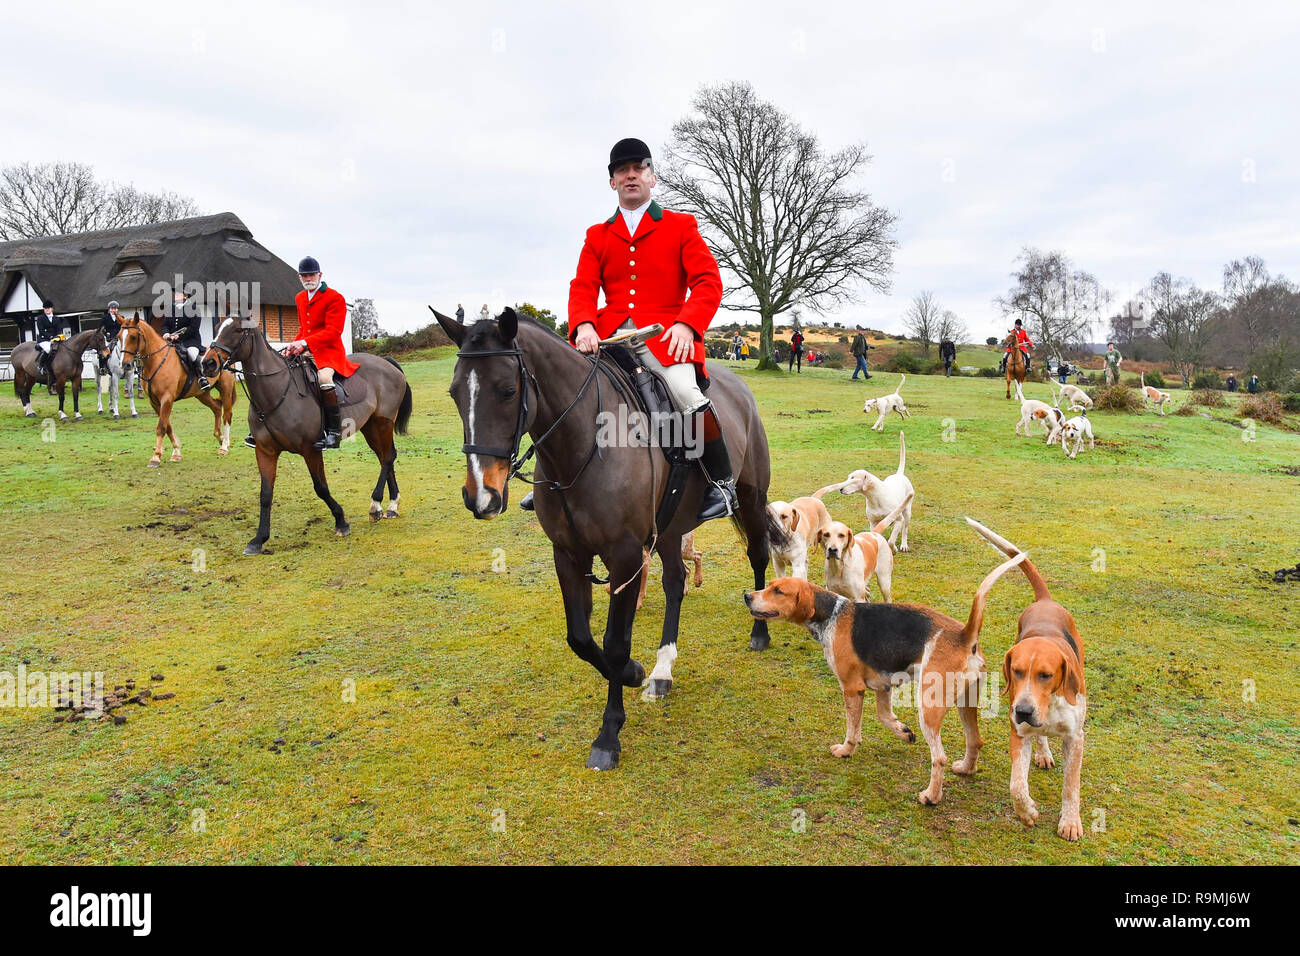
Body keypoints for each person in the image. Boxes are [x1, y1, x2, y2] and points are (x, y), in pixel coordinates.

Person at [536, 136, 731, 521]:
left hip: (665, 337)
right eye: (622, 171)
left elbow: (708, 281)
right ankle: (550, 481)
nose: (630, 176)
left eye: (638, 168)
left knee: (683, 390)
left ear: (652, 177)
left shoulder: (681, 225)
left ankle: (720, 484)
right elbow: (584, 287)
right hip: (608, 338)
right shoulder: (597, 235)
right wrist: (584, 325)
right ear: (612, 182)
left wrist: (687, 325)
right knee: (563, 392)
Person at [281, 257, 360, 450]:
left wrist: (305, 342)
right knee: (280, 368)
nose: (308, 278)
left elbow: (334, 332)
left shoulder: (335, 297)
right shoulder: (300, 297)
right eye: (305, 275)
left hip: (329, 352)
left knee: (324, 378)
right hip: (307, 350)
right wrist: (294, 344)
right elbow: (304, 329)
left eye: (312, 275)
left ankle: (333, 432)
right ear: (299, 277)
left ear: (320, 275)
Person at [162, 288, 204, 381]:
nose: (175, 295)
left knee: (192, 355)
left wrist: (179, 336)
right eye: (175, 293)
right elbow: (165, 325)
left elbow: (194, 328)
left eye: (178, 293)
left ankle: (201, 377)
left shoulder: (194, 309)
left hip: (190, 341)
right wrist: (166, 333)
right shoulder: (170, 308)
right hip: (172, 341)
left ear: (186, 296)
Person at [34, 299, 62, 380]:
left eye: (48, 308)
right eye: (45, 308)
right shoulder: (40, 318)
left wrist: (59, 336)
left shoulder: (56, 318)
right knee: (47, 349)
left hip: (55, 338)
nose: (47, 309)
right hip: (44, 339)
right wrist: (51, 337)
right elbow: (41, 331)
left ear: (52, 308)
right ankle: (41, 366)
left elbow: (59, 329)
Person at [97, 301, 124, 375]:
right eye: (112, 308)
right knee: (103, 351)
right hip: (108, 338)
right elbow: (99, 328)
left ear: (117, 309)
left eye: (115, 309)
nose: (113, 310)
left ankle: (129, 367)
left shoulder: (121, 318)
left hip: (119, 338)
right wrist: (105, 334)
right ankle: (102, 368)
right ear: (109, 309)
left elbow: (123, 328)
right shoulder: (105, 318)